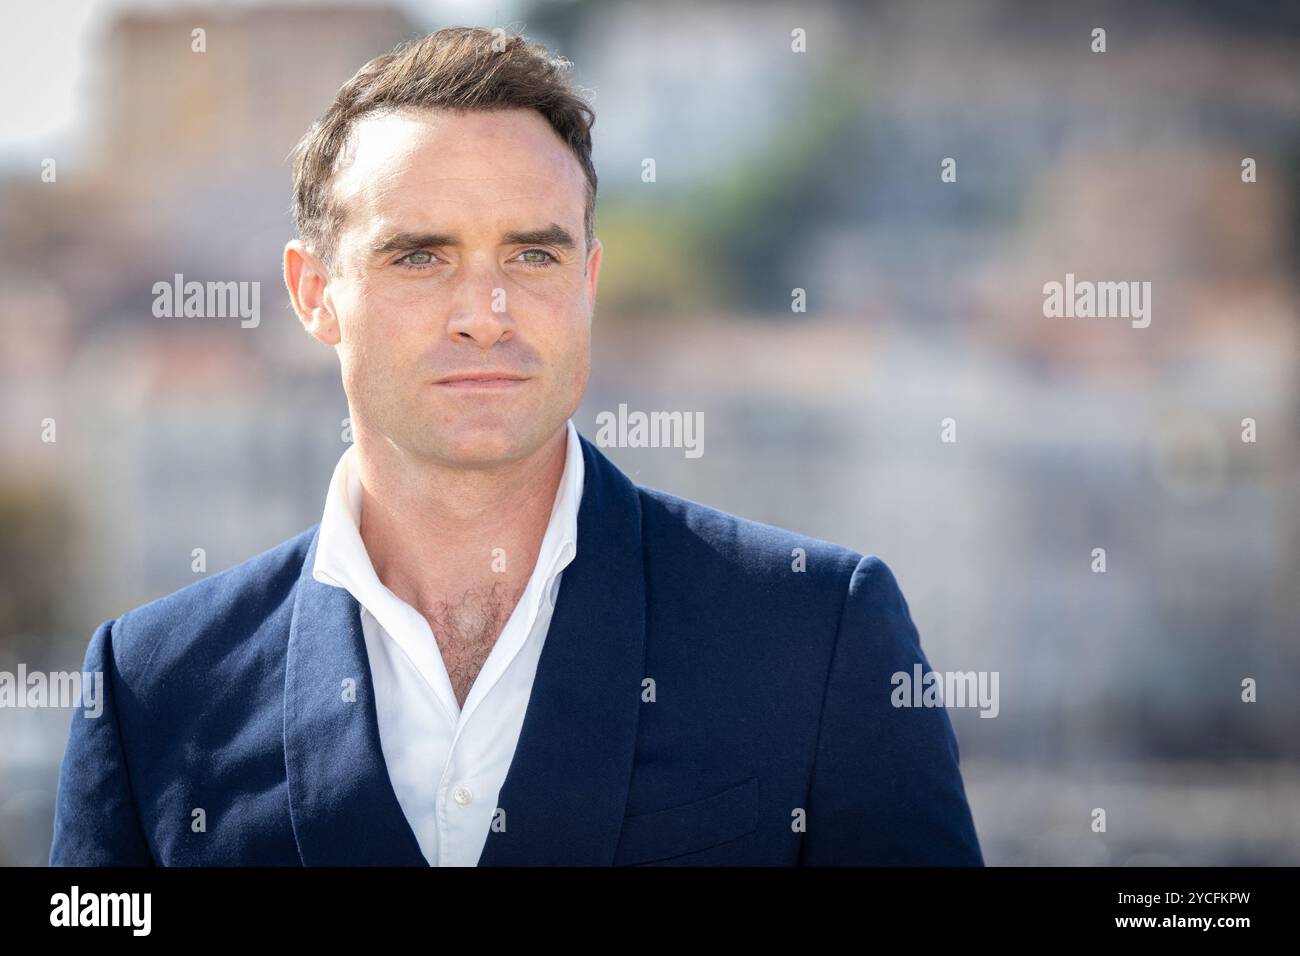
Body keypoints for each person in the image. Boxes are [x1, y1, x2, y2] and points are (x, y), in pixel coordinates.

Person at [49, 25, 983, 866]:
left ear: (588, 281)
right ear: (313, 293)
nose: (484, 316)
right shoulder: (150, 692)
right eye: (421, 255)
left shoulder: (817, 636)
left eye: (532, 256)